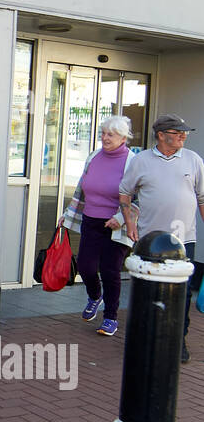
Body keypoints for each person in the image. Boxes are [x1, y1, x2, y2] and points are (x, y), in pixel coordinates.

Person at [118, 114, 204, 363]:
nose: (183, 136)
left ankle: (179, 340)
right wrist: (130, 223)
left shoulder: (193, 160)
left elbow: (202, 198)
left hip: (183, 239)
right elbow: (125, 193)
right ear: (161, 134)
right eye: (177, 132)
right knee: (147, 289)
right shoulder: (142, 161)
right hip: (149, 240)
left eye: (184, 132)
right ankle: (146, 337)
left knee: (183, 292)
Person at [62, 116, 134, 338]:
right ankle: (95, 296)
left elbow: (139, 198)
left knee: (111, 270)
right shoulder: (94, 156)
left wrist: (120, 219)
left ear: (123, 138)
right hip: (91, 221)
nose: (104, 138)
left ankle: (110, 317)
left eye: (110, 134)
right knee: (85, 267)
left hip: (116, 225)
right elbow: (81, 189)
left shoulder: (133, 162)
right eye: (103, 133)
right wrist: (67, 214)